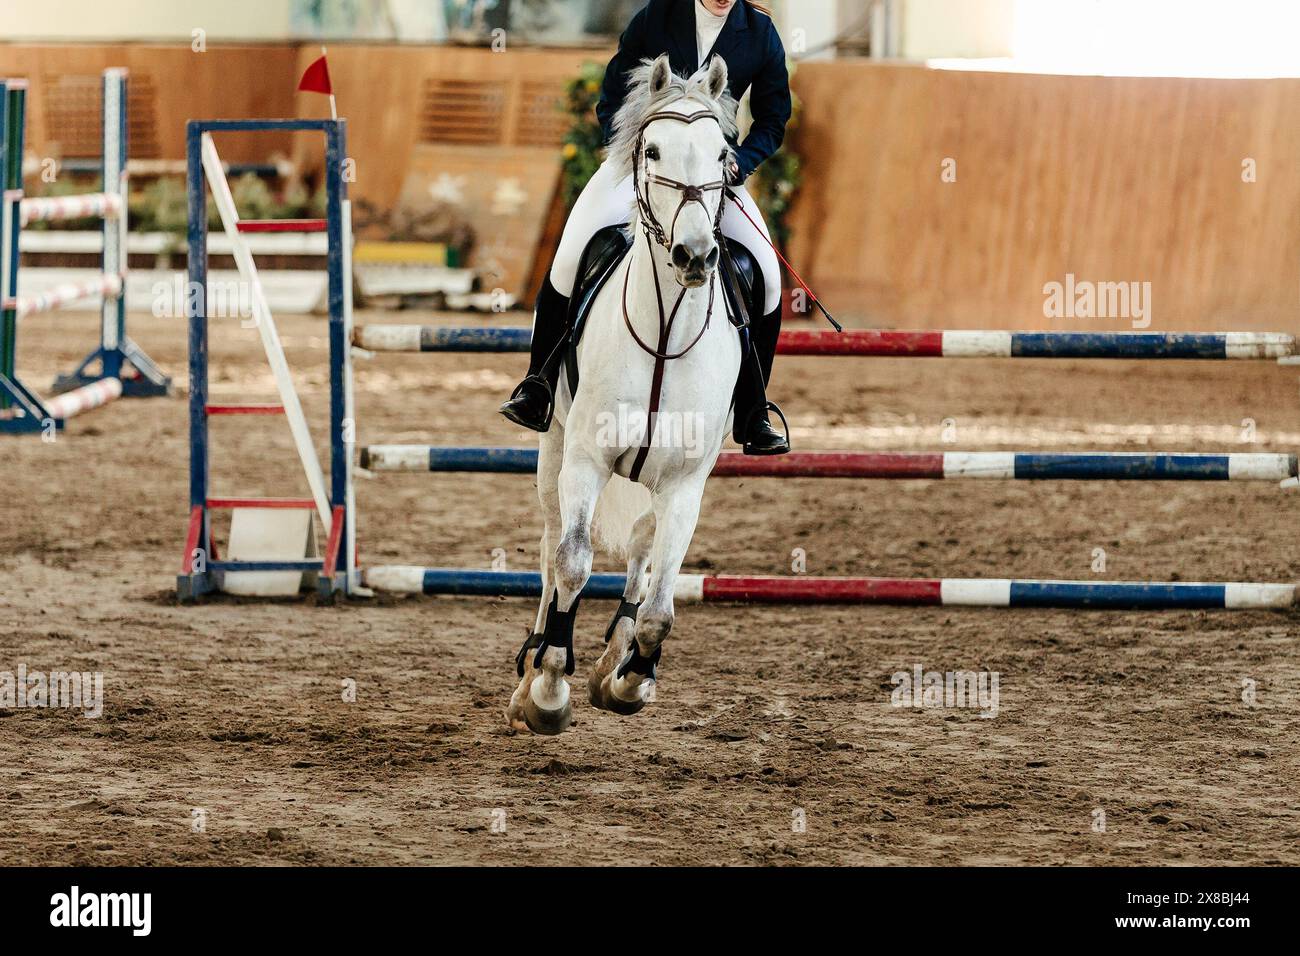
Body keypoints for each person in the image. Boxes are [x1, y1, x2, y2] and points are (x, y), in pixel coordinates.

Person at [500, 0, 792, 454]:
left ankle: (754, 411)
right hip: (643, 168)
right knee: (570, 253)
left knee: (770, 279)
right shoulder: (657, 16)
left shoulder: (760, 33)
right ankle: (538, 385)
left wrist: (739, 162)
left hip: (714, 176)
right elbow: (611, 98)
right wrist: (634, 157)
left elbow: (774, 120)